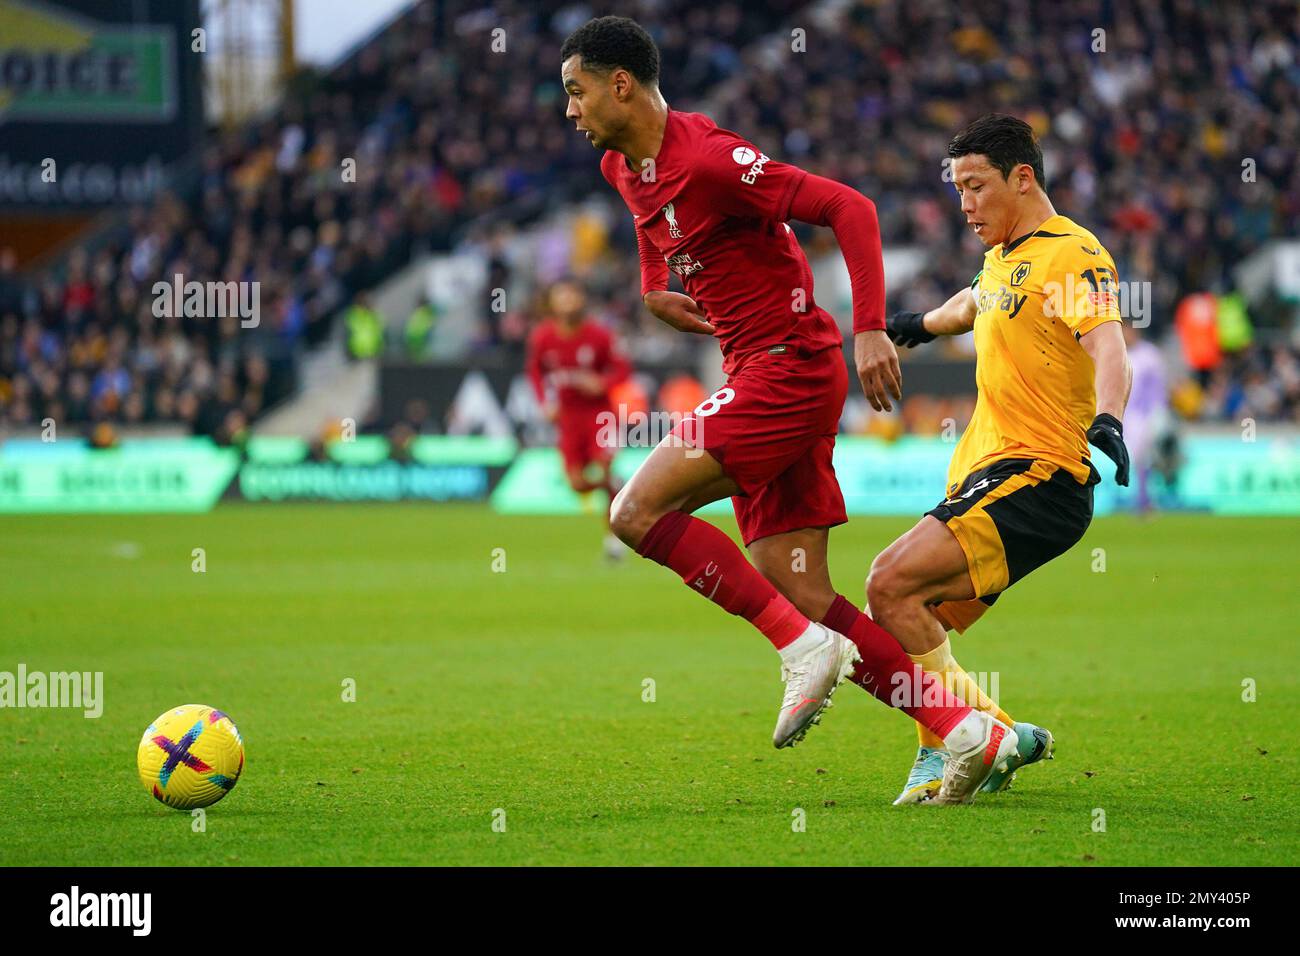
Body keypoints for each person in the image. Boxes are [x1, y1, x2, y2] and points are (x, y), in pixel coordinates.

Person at [562, 15, 1020, 803]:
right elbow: (655, 253)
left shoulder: (709, 158)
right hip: (759, 368)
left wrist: (870, 326)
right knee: (801, 587)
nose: (569, 110)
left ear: (621, 85)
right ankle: (968, 731)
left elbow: (852, 208)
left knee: (634, 513)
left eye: (575, 91)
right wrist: (659, 296)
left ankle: (799, 649)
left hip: (790, 369)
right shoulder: (621, 167)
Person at [880, 113, 1132, 802]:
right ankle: (973, 746)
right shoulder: (1003, 257)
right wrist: (919, 326)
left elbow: (1107, 343)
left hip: (1039, 475)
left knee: (888, 584)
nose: (963, 204)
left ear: (1022, 178)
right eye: (957, 187)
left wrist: (1109, 417)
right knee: (914, 623)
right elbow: (976, 301)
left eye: (975, 185)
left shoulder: (1071, 254)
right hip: (991, 475)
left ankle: (984, 734)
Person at [525, 278, 632, 561]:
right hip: (568, 418)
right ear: (552, 303)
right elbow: (535, 372)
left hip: (600, 414)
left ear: (581, 300)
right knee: (576, 485)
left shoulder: (600, 335)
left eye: (573, 295)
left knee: (603, 465)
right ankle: (616, 485)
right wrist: (544, 402)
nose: (568, 301)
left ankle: (613, 541)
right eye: (562, 296)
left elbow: (622, 369)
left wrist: (603, 382)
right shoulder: (543, 337)